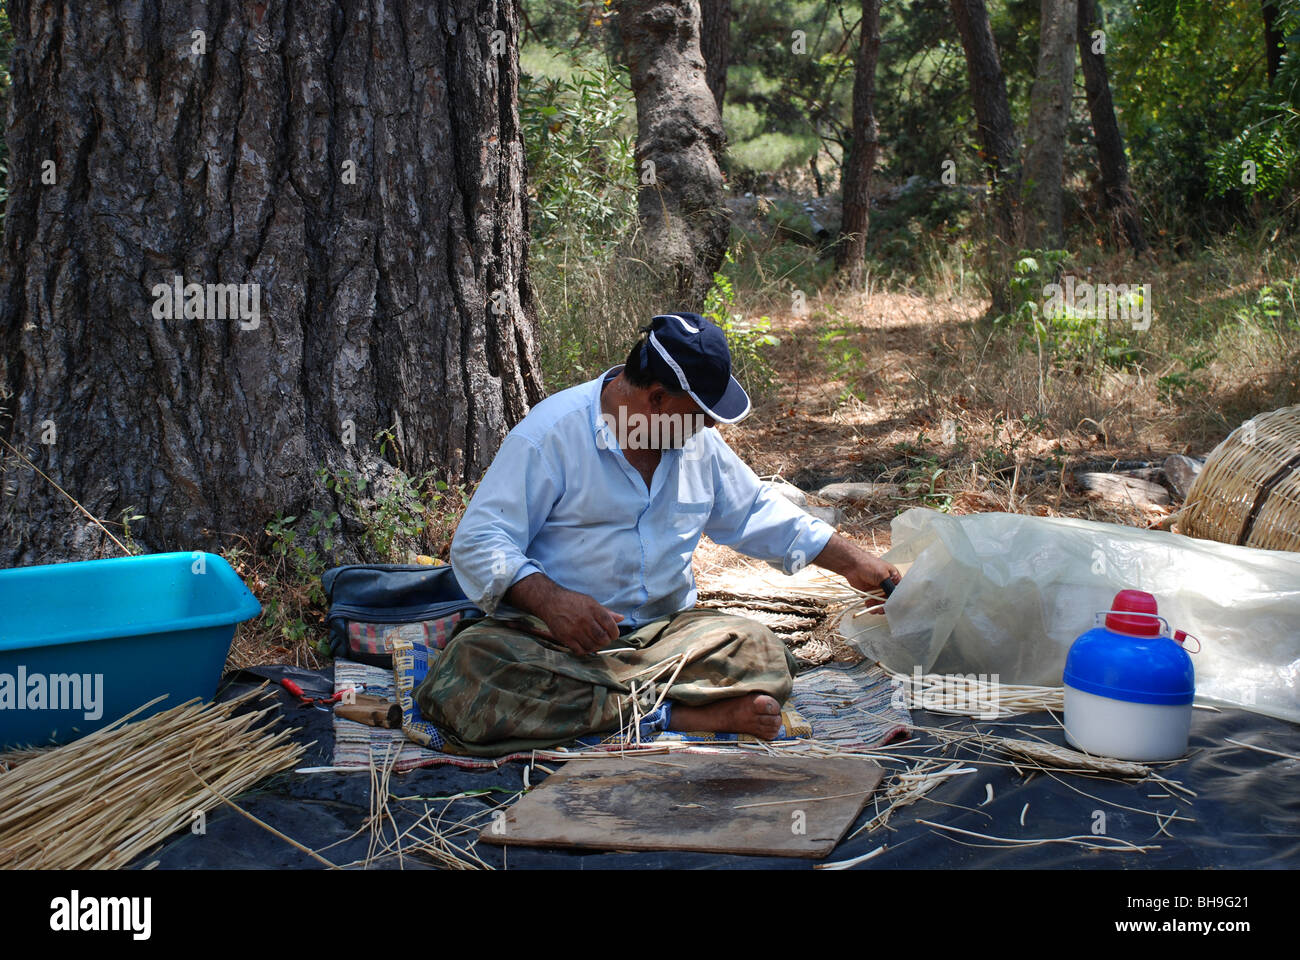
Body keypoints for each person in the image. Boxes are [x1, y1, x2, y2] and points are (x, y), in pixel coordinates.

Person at [414, 312, 901, 756]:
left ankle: (617, 714)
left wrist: (859, 564)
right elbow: (479, 542)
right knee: (474, 674)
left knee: (761, 651)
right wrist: (551, 601)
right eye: (700, 413)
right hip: (558, 646)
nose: (709, 426)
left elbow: (755, 511)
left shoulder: (694, 440)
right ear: (656, 399)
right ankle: (678, 715)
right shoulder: (550, 436)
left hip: (667, 640)